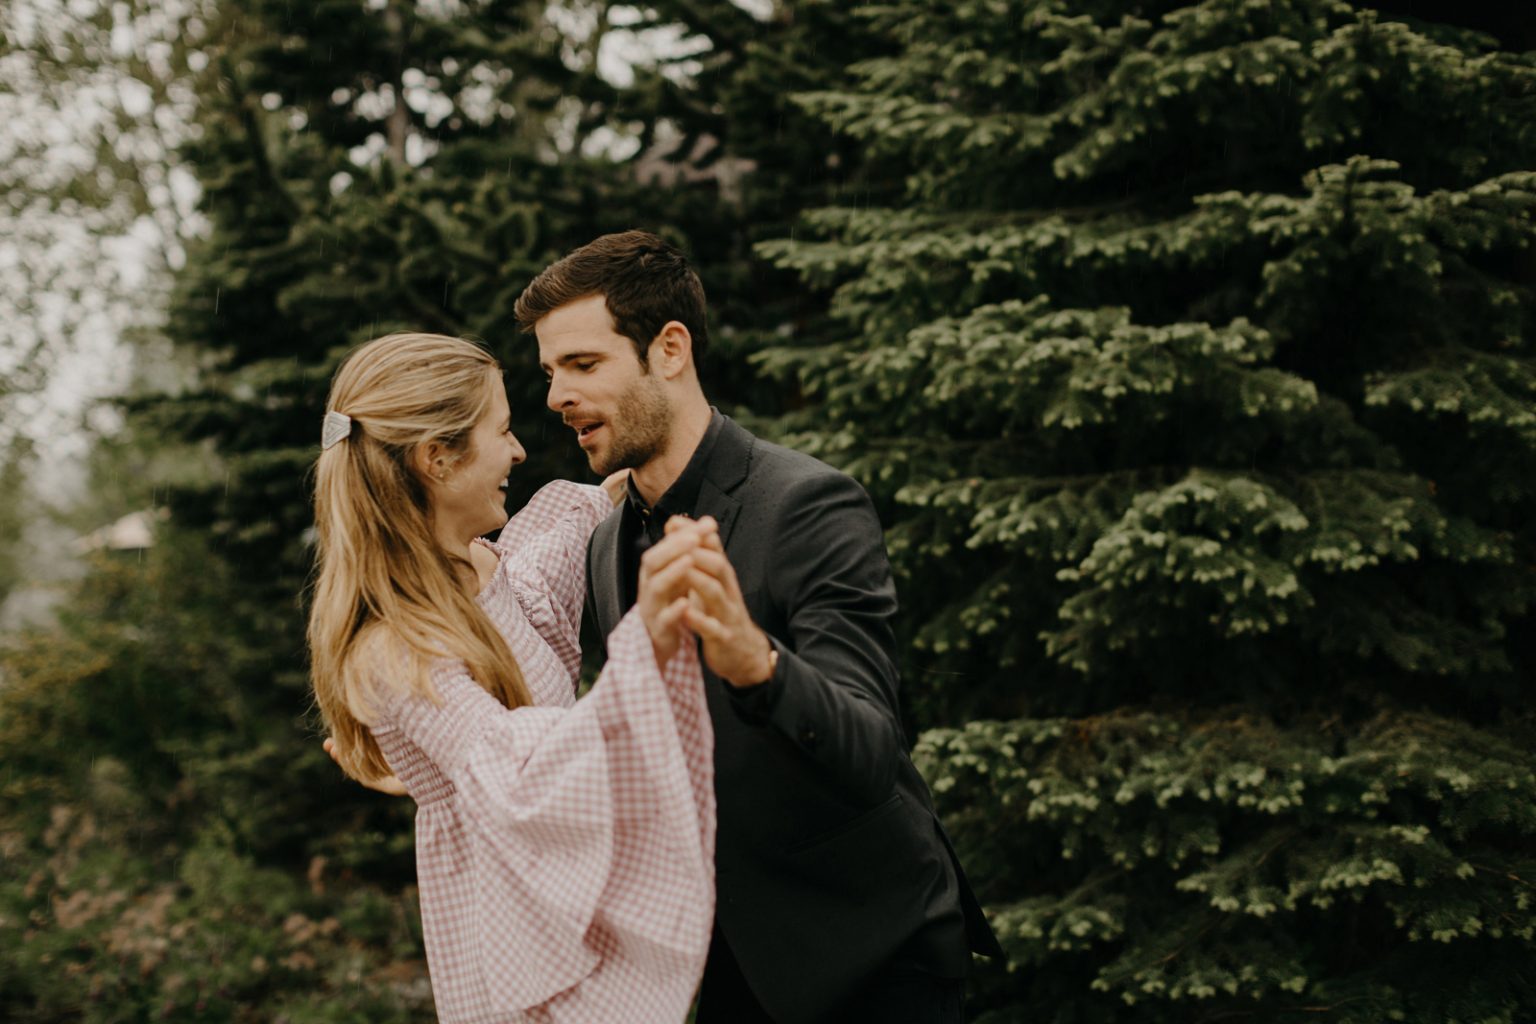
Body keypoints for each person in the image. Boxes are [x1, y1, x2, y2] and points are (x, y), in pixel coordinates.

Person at [514, 232, 1003, 1024]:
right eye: (548, 373)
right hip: (721, 962)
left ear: (669, 349)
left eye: (583, 365)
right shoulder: (605, 546)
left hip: (868, 953)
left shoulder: (809, 504)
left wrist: (756, 664)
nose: (554, 397)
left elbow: (871, 748)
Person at [308, 332, 719, 1023]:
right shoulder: (394, 651)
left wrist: (629, 480)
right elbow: (524, 768)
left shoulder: (500, 569)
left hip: (555, 903)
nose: (520, 450)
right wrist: (648, 642)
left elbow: (568, 534)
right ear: (438, 459)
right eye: (501, 431)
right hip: (513, 950)